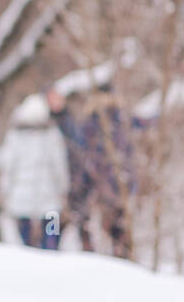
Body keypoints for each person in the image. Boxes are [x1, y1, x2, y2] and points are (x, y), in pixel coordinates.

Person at [46, 85, 140, 259]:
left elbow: (80, 149)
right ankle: (118, 260)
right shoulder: (122, 119)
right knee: (116, 230)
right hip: (115, 183)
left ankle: (88, 255)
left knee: (87, 225)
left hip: (96, 183)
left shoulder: (92, 122)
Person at [0, 94, 68, 249]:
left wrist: (4, 191)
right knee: (51, 229)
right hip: (49, 194)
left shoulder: (15, 136)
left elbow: (8, 167)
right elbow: (60, 166)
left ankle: (28, 253)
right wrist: (63, 189)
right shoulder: (52, 134)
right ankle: (50, 252)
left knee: (24, 235)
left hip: (21, 195)